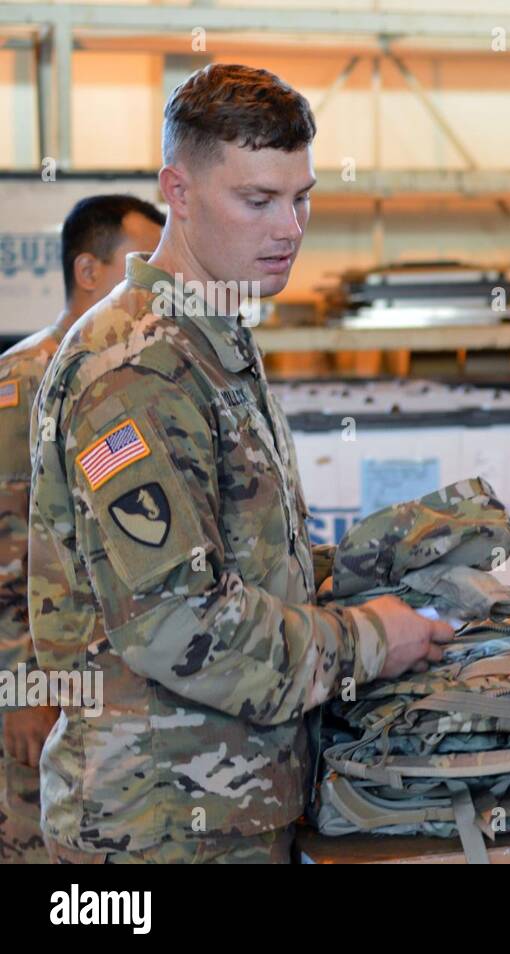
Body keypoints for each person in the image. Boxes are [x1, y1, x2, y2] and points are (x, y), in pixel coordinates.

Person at [28, 64, 451, 864]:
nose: (290, 227)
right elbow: (176, 621)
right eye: (257, 201)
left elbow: (240, 565)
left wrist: (377, 569)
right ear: (177, 192)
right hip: (157, 827)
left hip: (228, 804)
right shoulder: (138, 368)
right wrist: (367, 641)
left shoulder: (213, 341)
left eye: (301, 197)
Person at [0, 194, 164, 864]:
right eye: (141, 264)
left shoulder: (130, 372)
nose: (158, 283)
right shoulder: (23, 380)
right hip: (43, 690)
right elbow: (10, 551)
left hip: (112, 689)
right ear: (88, 272)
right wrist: (23, 689)